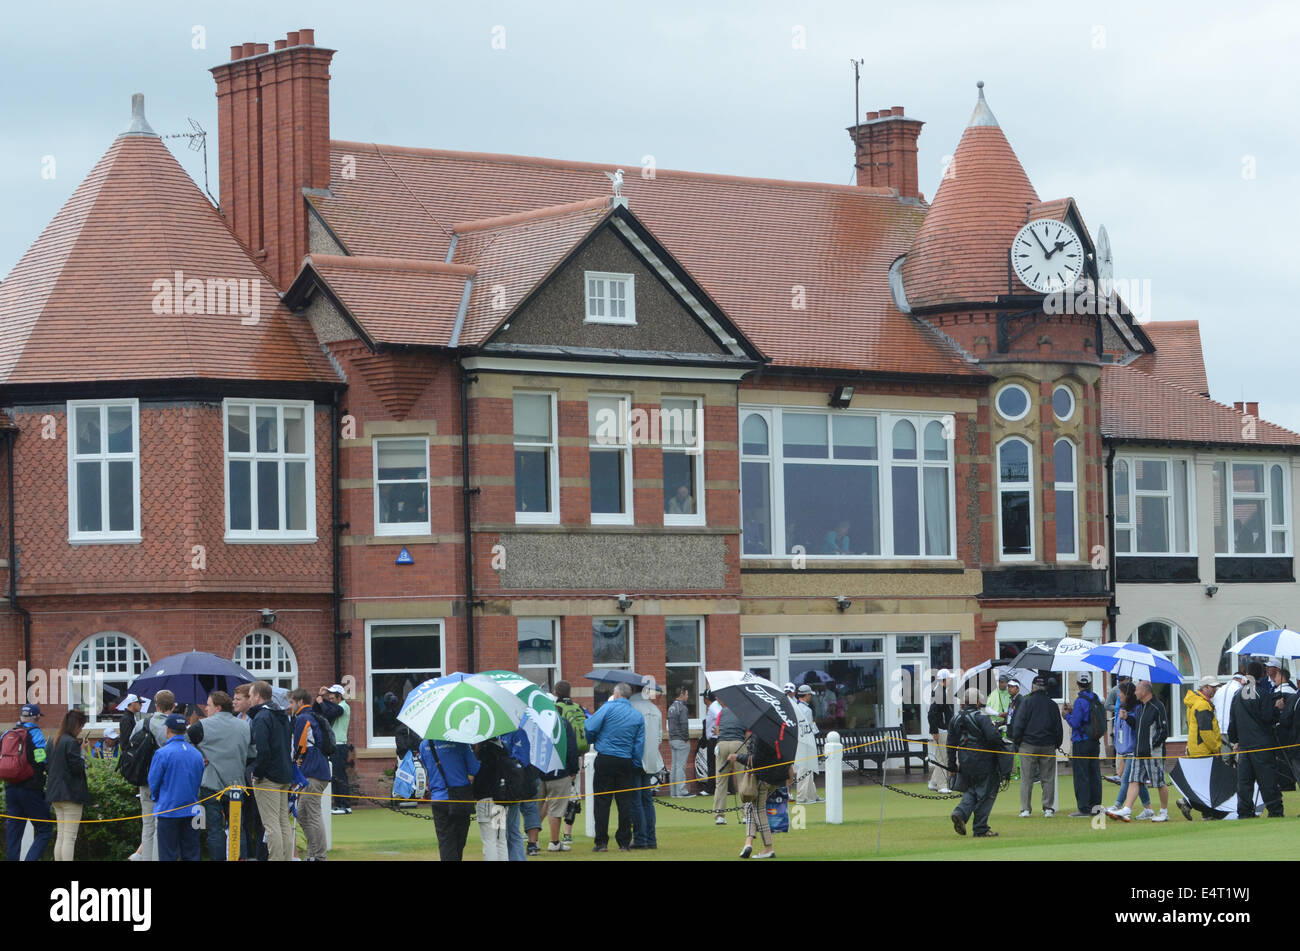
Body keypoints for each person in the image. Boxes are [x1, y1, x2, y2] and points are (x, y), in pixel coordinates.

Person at [187, 690, 251, 861]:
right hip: (237, 785)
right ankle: (239, 858)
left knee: (214, 830)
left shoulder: (201, 726)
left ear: (218, 707)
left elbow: (184, 743)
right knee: (237, 827)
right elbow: (252, 752)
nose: (206, 709)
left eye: (208, 705)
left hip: (211, 785)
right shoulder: (245, 726)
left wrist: (199, 755)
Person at [584, 681, 645, 852]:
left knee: (602, 802)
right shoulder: (637, 715)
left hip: (605, 759)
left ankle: (601, 842)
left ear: (616, 694)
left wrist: (593, 739)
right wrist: (634, 763)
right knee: (625, 803)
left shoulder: (607, 708)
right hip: (625, 761)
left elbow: (589, 726)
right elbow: (639, 745)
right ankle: (624, 842)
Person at [1107, 680, 1170, 822]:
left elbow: (1163, 730)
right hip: (1138, 752)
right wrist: (1127, 718)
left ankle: (1164, 811)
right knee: (1134, 780)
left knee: (1159, 782)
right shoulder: (1141, 707)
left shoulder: (1157, 706)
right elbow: (1138, 726)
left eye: (1137, 690)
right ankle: (1127, 809)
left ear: (1144, 691)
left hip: (1153, 753)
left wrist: (1152, 745)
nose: (1135, 692)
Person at [946, 689, 1005, 837]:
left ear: (964, 702)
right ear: (978, 702)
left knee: (971, 789)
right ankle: (980, 828)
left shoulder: (955, 718)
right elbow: (993, 738)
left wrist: (952, 765)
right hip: (984, 761)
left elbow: (950, 744)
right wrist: (997, 732)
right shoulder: (982, 716)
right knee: (988, 793)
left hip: (965, 761)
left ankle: (960, 813)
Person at [1228, 662, 1283, 818]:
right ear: (1262, 675)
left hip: (1244, 745)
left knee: (1244, 781)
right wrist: (1276, 709)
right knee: (1267, 779)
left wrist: (1235, 740)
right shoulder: (1262, 693)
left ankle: (1245, 811)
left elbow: (1233, 721)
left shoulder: (1238, 695)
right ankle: (1275, 810)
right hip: (1262, 745)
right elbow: (1267, 718)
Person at [247, 680, 294, 860]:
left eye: (251, 696)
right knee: (283, 822)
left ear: (258, 696)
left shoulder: (261, 717)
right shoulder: (281, 715)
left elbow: (263, 750)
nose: (250, 699)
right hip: (284, 773)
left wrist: (257, 772)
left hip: (269, 777)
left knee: (272, 824)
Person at [148, 713, 206, 861]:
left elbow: (153, 781)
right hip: (192, 808)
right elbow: (198, 779)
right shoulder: (197, 754)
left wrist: (156, 798)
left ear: (167, 729)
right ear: (185, 730)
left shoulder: (162, 753)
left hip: (168, 809)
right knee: (192, 853)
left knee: (168, 854)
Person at [3, 703, 52, 861]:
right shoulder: (35, 732)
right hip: (30, 788)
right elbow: (41, 758)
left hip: (10, 787)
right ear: (36, 717)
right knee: (45, 829)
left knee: (14, 832)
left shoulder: (7, 733)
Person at [418, 736, 478, 861]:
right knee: (459, 840)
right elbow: (474, 768)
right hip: (460, 797)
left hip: (438, 798)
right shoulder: (460, 742)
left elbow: (426, 766)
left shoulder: (424, 744)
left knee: (445, 842)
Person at [1010, 675, 1062, 818]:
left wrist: (1017, 742)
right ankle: (1048, 808)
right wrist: (1057, 743)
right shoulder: (1052, 704)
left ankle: (1026, 809)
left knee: (1027, 778)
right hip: (1048, 745)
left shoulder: (1026, 703)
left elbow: (1019, 725)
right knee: (1048, 778)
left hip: (1028, 745)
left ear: (1033, 687)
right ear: (1045, 688)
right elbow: (1058, 727)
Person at [735, 734, 793, 859]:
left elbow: (755, 759)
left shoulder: (761, 734)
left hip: (764, 776)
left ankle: (768, 848)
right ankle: (748, 843)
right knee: (750, 807)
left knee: (758, 809)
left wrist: (737, 757)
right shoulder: (782, 732)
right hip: (778, 777)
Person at [289, 687, 331, 860]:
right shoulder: (313, 715)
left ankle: (319, 855)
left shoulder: (302, 718)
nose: (290, 706)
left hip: (313, 771)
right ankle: (313, 852)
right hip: (317, 769)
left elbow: (299, 746)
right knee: (303, 813)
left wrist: (295, 761)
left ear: (299, 702)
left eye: (291, 702)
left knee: (311, 813)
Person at [45, 709, 90, 862]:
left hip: (55, 793)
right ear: (76, 725)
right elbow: (77, 768)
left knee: (62, 836)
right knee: (70, 837)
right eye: (81, 726)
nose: (81, 730)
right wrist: (82, 752)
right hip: (71, 794)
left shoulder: (52, 740)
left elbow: (48, 766)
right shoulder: (71, 743)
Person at [552, 681, 588, 848]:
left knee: (549, 796)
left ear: (555, 692)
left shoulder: (556, 708)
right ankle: (568, 834)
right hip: (577, 756)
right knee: (573, 795)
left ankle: (533, 832)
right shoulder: (578, 707)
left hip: (559, 757)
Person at [629, 680, 664, 849]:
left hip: (635, 759)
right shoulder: (655, 710)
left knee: (636, 801)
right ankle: (651, 838)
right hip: (651, 760)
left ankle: (640, 839)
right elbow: (658, 738)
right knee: (647, 801)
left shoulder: (631, 707)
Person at [1063, 672, 1103, 816]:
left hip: (1081, 741)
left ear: (1078, 684)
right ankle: (1096, 806)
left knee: (1082, 775)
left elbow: (1075, 722)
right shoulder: (1095, 698)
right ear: (1090, 683)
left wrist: (1066, 715)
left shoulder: (1080, 701)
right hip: (1094, 742)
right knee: (1095, 774)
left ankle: (1084, 808)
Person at [539, 713, 580, 851]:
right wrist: (573, 770)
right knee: (556, 809)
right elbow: (571, 747)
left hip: (537, 771)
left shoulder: (533, 721)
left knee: (535, 807)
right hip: (559, 770)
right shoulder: (563, 723)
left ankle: (533, 842)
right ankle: (554, 842)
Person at [1111, 682, 1151, 818]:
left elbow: (1137, 726)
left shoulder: (1138, 708)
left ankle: (1118, 805)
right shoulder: (1122, 708)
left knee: (1126, 778)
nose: (1118, 694)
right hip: (1125, 749)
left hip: (1134, 750)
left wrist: (1127, 718)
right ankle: (1148, 809)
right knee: (1138, 781)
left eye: (1120, 692)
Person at [314, 684, 352, 815]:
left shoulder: (343, 707)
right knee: (335, 776)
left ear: (339, 697)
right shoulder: (335, 706)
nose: (330, 700)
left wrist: (322, 701)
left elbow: (328, 714)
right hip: (334, 745)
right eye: (328, 698)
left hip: (340, 745)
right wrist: (320, 697)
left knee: (340, 775)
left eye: (332, 698)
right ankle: (338, 804)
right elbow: (317, 711)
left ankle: (345, 805)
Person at [713, 700, 747, 825]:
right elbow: (748, 733)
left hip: (722, 744)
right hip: (738, 744)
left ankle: (719, 816)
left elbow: (717, 730)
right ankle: (745, 815)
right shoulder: (744, 713)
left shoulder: (722, 712)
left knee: (720, 782)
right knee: (742, 781)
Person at [927, 670, 954, 795]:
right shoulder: (939, 693)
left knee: (940, 757)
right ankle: (941, 785)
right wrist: (934, 731)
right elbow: (931, 713)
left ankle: (933, 782)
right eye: (948, 678)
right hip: (941, 730)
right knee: (943, 758)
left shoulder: (940, 691)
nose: (950, 680)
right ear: (944, 680)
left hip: (942, 729)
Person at [794, 685, 822, 803]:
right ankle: (801, 797)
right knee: (804, 769)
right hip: (806, 741)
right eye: (809, 694)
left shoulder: (795, 707)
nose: (810, 697)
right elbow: (809, 728)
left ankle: (812, 795)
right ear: (806, 696)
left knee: (808, 768)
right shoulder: (806, 710)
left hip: (800, 740)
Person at [667, 685, 692, 797]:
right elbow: (684, 725)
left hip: (672, 739)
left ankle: (674, 792)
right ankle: (681, 791)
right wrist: (686, 739)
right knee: (680, 767)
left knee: (674, 767)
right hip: (681, 740)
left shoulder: (671, 707)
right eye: (686, 694)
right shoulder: (682, 708)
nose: (687, 696)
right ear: (681, 694)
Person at [1106, 675, 1131, 778]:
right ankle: (1118, 773)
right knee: (1120, 748)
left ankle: (1123, 773)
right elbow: (1107, 705)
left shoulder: (1131, 689)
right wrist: (1117, 710)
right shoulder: (1115, 690)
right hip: (1118, 723)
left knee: (1127, 749)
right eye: (1120, 680)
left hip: (1127, 723)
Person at [702, 690, 722, 796]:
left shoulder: (713, 707)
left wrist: (720, 728)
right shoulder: (716, 706)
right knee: (718, 764)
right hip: (715, 739)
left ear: (706, 698)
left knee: (712, 765)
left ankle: (710, 788)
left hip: (714, 739)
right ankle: (729, 788)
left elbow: (721, 715)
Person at [1005, 679, 1022, 780]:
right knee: (1011, 753)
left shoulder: (1020, 700)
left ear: (1017, 688)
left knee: (1018, 753)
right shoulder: (1012, 700)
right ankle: (1013, 772)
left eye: (1012, 687)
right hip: (1010, 730)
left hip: (1016, 732)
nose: (1009, 689)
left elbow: (1018, 717)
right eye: (1009, 686)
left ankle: (1019, 772)